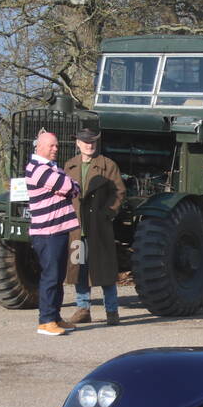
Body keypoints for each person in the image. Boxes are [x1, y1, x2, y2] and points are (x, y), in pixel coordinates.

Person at [63, 128, 126, 325]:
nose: (89, 145)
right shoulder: (69, 165)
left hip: (99, 229)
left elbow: (119, 192)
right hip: (76, 230)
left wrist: (107, 213)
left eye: (92, 142)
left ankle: (112, 311)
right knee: (78, 270)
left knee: (105, 271)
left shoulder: (108, 165)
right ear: (78, 144)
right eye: (85, 142)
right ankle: (83, 309)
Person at [26, 129, 81, 337]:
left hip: (57, 229)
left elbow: (74, 187)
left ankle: (55, 317)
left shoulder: (51, 168)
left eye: (56, 145)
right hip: (47, 232)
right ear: (39, 147)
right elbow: (68, 186)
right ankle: (46, 321)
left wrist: (68, 186)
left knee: (57, 276)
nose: (56, 149)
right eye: (52, 145)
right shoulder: (38, 169)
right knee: (50, 276)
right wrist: (67, 185)